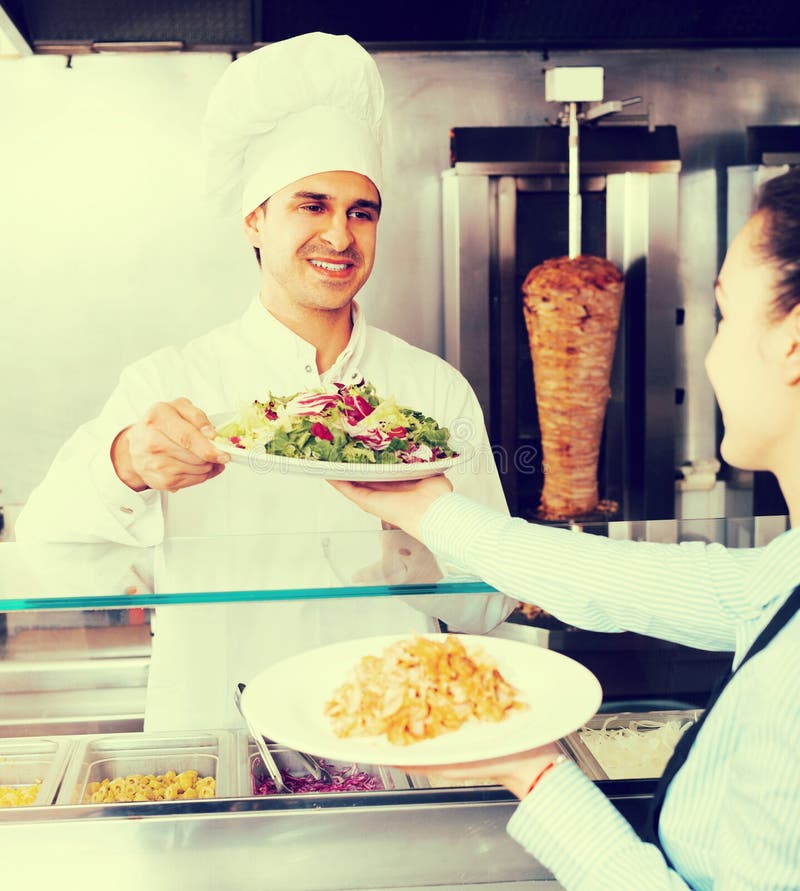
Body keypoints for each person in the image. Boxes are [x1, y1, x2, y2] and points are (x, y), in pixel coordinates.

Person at [15, 33, 515, 730]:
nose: (340, 236)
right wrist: (125, 464)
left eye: (360, 211)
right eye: (311, 205)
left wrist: (415, 526)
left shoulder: (433, 394)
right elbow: (45, 571)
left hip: (389, 744)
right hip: (221, 744)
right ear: (255, 218)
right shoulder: (170, 383)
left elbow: (486, 605)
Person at [330, 166, 800, 889]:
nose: (709, 353)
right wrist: (430, 510)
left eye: (726, 316)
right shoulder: (786, 573)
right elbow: (678, 584)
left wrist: (533, 769)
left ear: (794, 341)